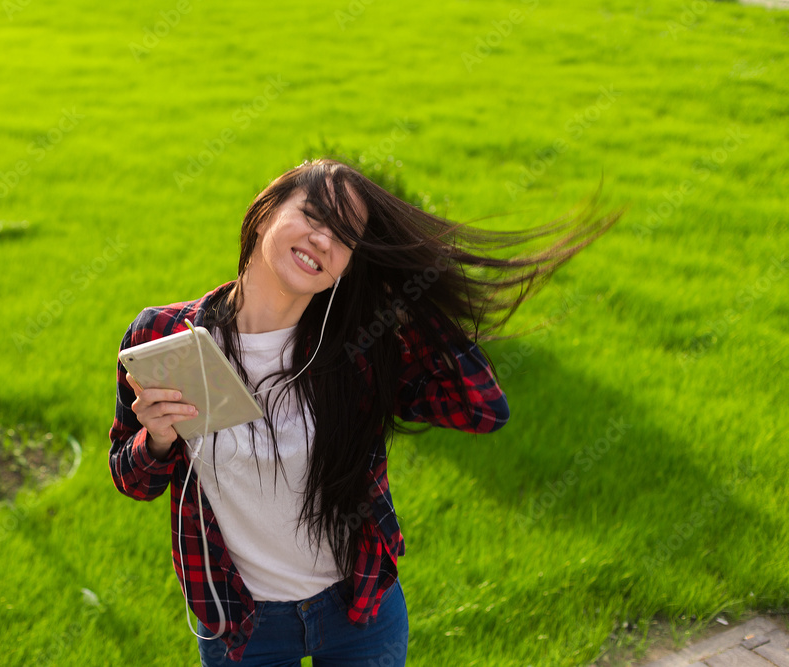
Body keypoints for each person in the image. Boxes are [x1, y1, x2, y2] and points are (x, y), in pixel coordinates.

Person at [109, 158, 627, 665]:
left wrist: (411, 297)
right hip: (241, 622)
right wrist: (155, 440)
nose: (322, 240)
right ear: (266, 211)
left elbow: (484, 408)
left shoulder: (360, 349)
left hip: (355, 610)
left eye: (345, 239)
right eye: (313, 216)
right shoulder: (165, 338)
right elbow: (131, 478)